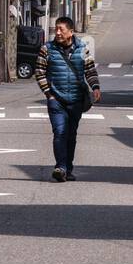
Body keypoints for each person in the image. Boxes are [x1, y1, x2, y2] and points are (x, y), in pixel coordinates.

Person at [35, 16, 101, 181]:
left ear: (70, 32)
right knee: (60, 132)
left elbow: (90, 70)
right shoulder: (47, 49)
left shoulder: (82, 49)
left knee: (71, 135)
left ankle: (68, 168)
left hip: (76, 100)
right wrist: (48, 94)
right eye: (56, 29)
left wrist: (95, 87)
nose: (57, 32)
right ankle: (60, 167)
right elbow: (39, 72)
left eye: (61, 29)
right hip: (56, 100)